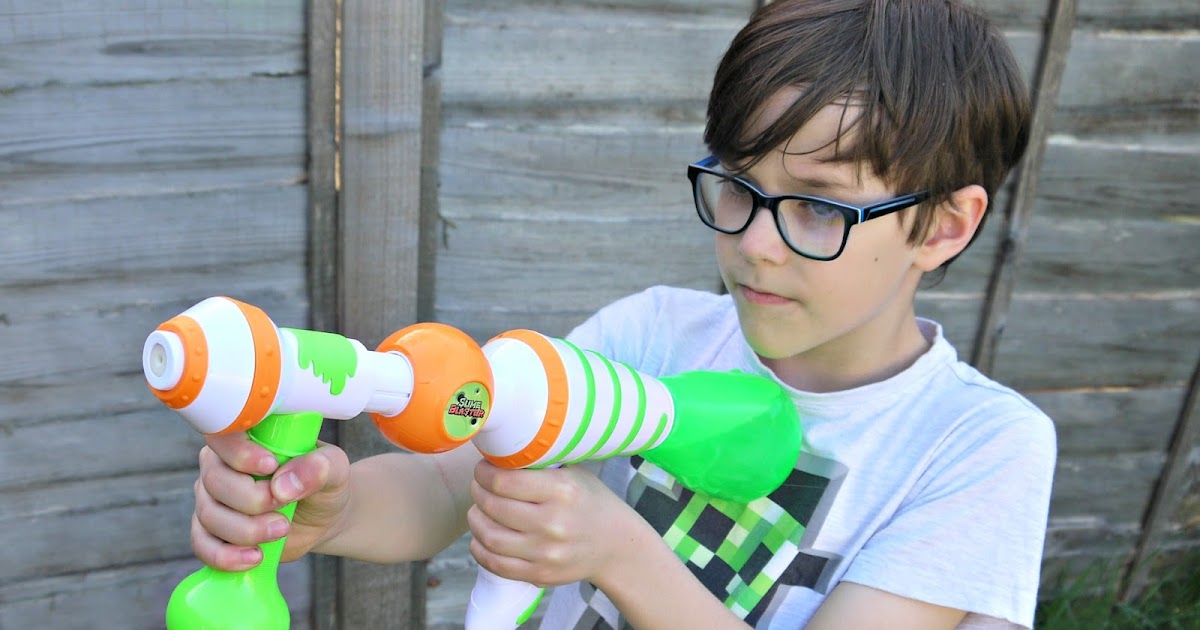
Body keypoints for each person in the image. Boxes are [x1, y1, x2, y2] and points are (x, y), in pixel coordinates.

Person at [190, 1, 1057, 628]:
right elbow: (457, 484)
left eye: (819, 207)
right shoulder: (654, 333)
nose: (756, 243)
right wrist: (331, 514)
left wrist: (620, 553)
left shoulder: (980, 447)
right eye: (738, 185)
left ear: (942, 226)